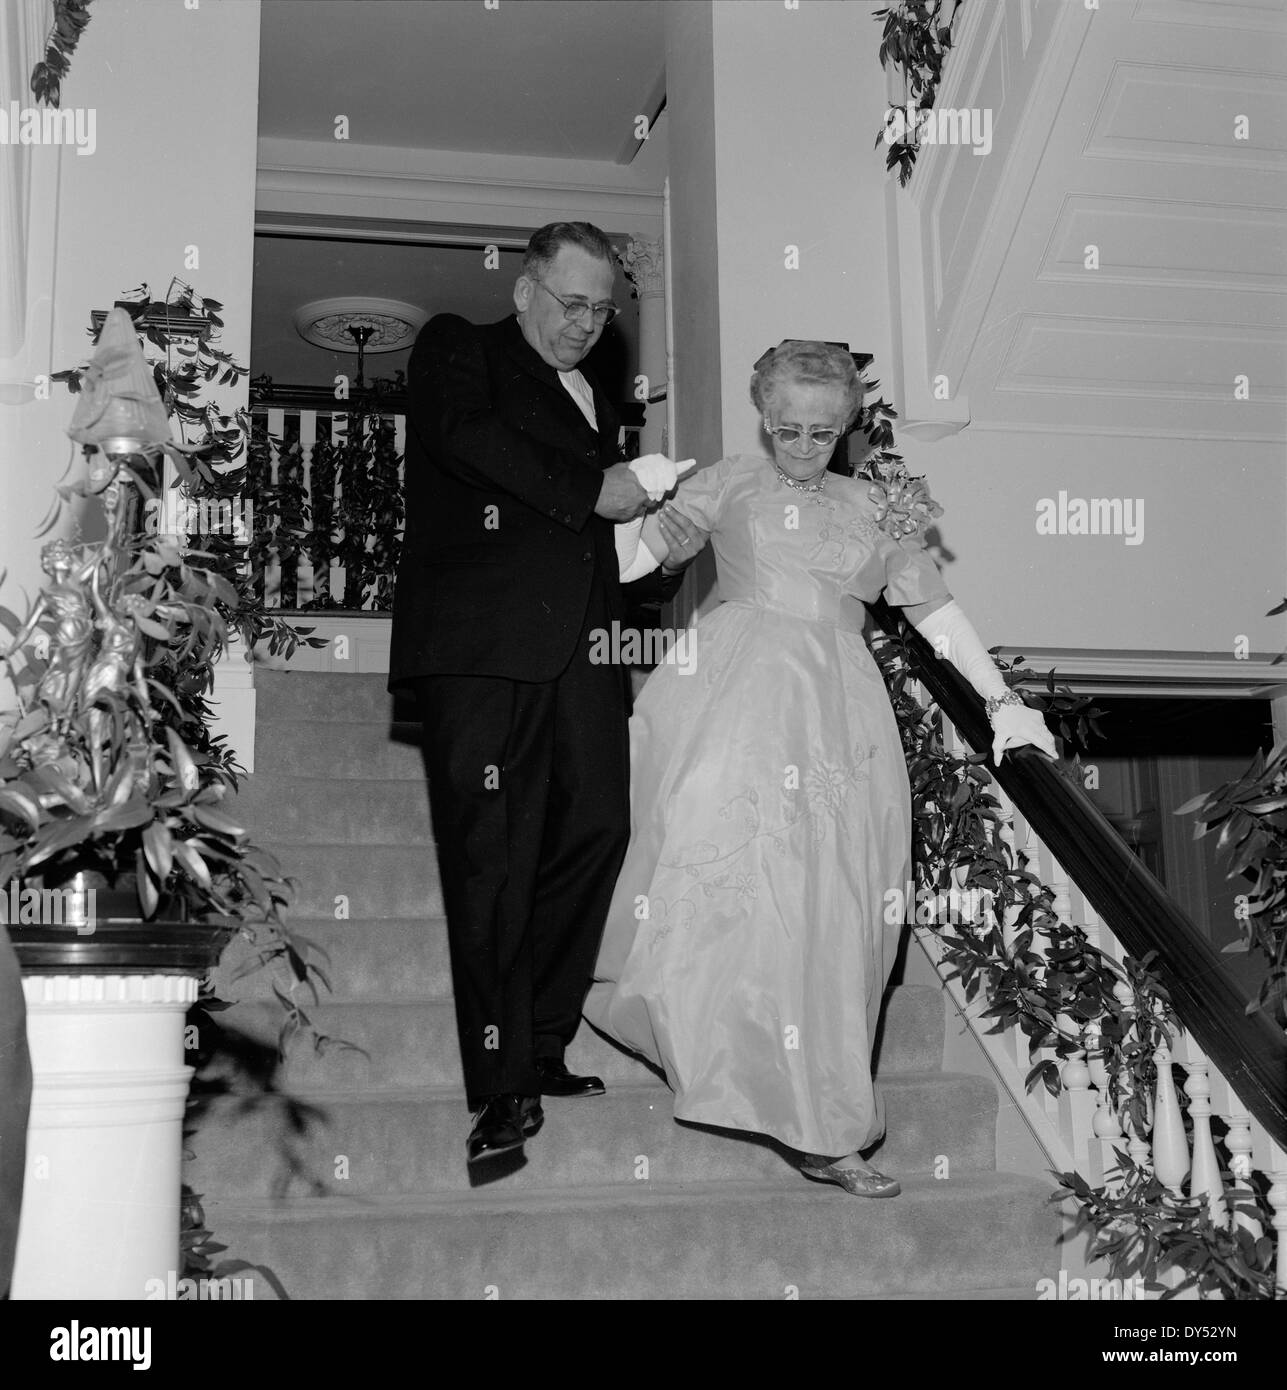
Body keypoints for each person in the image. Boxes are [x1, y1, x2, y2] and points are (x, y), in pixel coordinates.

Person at [584, 340, 1057, 1196]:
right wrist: (652, 521)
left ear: (848, 426)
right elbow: (621, 567)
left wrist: (999, 703)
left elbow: (934, 611)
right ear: (763, 419)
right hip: (733, 685)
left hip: (841, 700)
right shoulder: (726, 479)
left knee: (836, 903)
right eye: (786, 428)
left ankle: (822, 1122)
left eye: (821, 431)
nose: (802, 445)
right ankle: (702, 1041)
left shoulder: (880, 504)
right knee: (711, 865)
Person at [388, 221, 703, 1166]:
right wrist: (595, 486)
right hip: (482, 651)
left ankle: (539, 1039)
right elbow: (467, 440)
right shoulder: (458, 347)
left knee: (598, 828)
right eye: (571, 303)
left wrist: (652, 552)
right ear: (524, 291)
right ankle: (499, 1086)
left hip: (585, 651)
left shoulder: (592, 395)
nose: (586, 324)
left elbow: (582, 537)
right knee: (493, 857)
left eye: (603, 311)